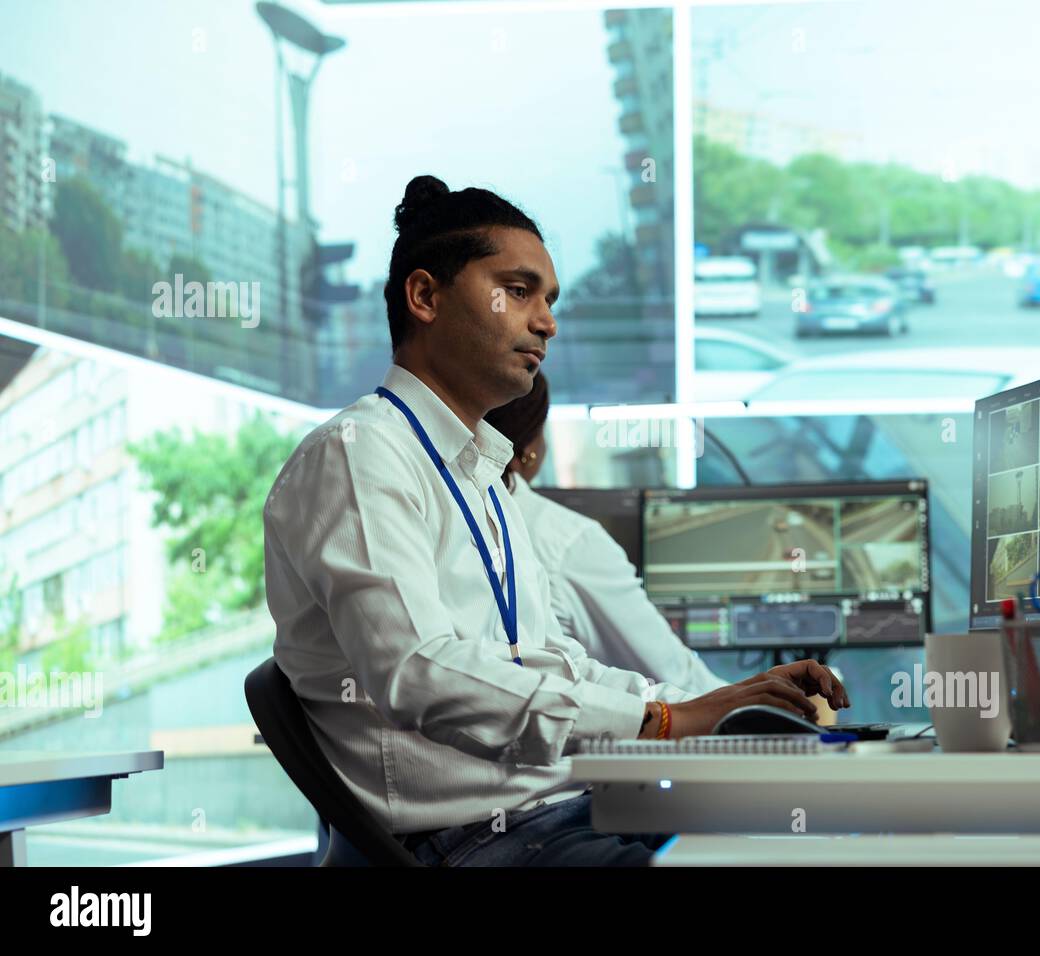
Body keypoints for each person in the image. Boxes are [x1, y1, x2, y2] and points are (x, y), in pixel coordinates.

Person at [263, 174, 848, 867]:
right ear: (424, 297)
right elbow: (420, 673)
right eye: (518, 291)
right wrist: (664, 720)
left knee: (826, 840)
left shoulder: (483, 473)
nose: (547, 321)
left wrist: (710, 705)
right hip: (479, 840)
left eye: (550, 301)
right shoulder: (359, 455)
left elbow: (549, 662)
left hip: (566, 812)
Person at [483, 373, 730, 696]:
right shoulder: (568, 540)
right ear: (526, 450)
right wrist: (762, 708)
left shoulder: (454, 506)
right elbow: (673, 673)